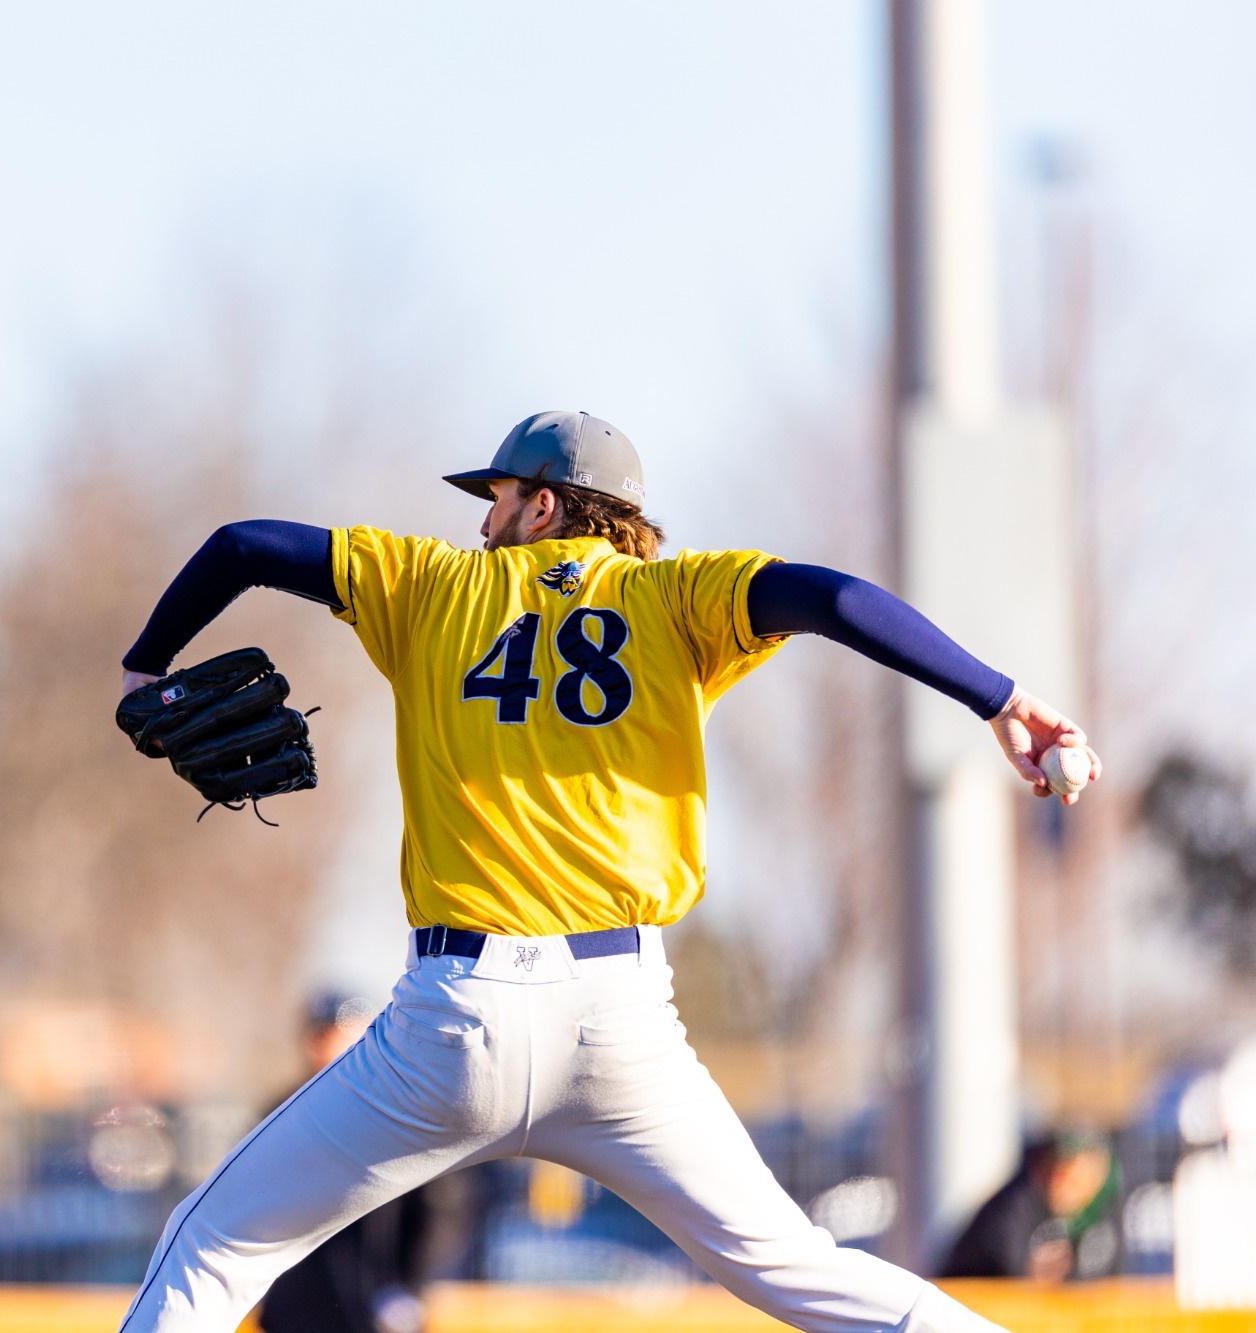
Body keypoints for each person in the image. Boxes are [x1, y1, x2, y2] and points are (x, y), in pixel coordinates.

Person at [113, 412, 1100, 1333]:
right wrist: (999, 698)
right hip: (623, 1027)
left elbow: (243, 544)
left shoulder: (427, 585)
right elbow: (832, 597)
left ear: (542, 504)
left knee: (213, 1244)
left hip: (454, 1020)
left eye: (496, 498)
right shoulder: (675, 598)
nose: (484, 520)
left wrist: (145, 665)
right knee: (799, 1269)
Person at [259, 994, 439, 1333]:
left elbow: (438, 1206)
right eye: (321, 1034)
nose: (327, 1045)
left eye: (339, 1032)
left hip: (374, 1297)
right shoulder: (282, 1110)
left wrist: (409, 1286)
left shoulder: (401, 1108)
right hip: (298, 1302)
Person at [940, 1131, 1121, 1282]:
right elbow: (1011, 1278)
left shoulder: (1106, 1211)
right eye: (1057, 1173)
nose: (1063, 1185)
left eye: (1076, 1179)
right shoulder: (1011, 1211)